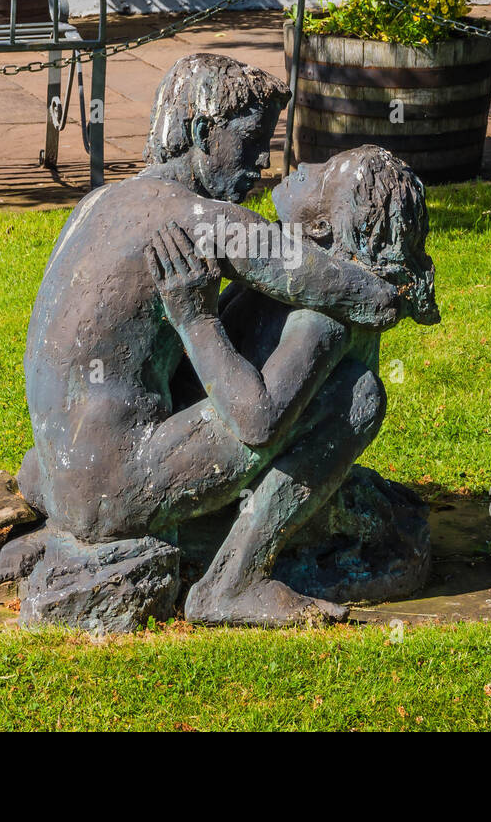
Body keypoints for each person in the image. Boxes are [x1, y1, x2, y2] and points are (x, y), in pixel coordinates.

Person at [19, 55, 405, 556]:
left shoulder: (100, 201)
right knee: (355, 394)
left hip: (57, 473)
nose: (263, 164)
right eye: (250, 144)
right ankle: (241, 578)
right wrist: (400, 279)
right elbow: (364, 297)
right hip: (110, 489)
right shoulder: (208, 222)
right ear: (203, 132)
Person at [148, 145, 438, 625]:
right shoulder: (307, 278)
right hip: (173, 456)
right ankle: (242, 566)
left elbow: (258, 420)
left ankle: (232, 582)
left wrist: (196, 320)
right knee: (358, 397)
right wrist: (195, 319)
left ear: (321, 228)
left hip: (185, 455)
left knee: (357, 397)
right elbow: (254, 415)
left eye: (321, 176)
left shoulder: (318, 319)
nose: (304, 166)